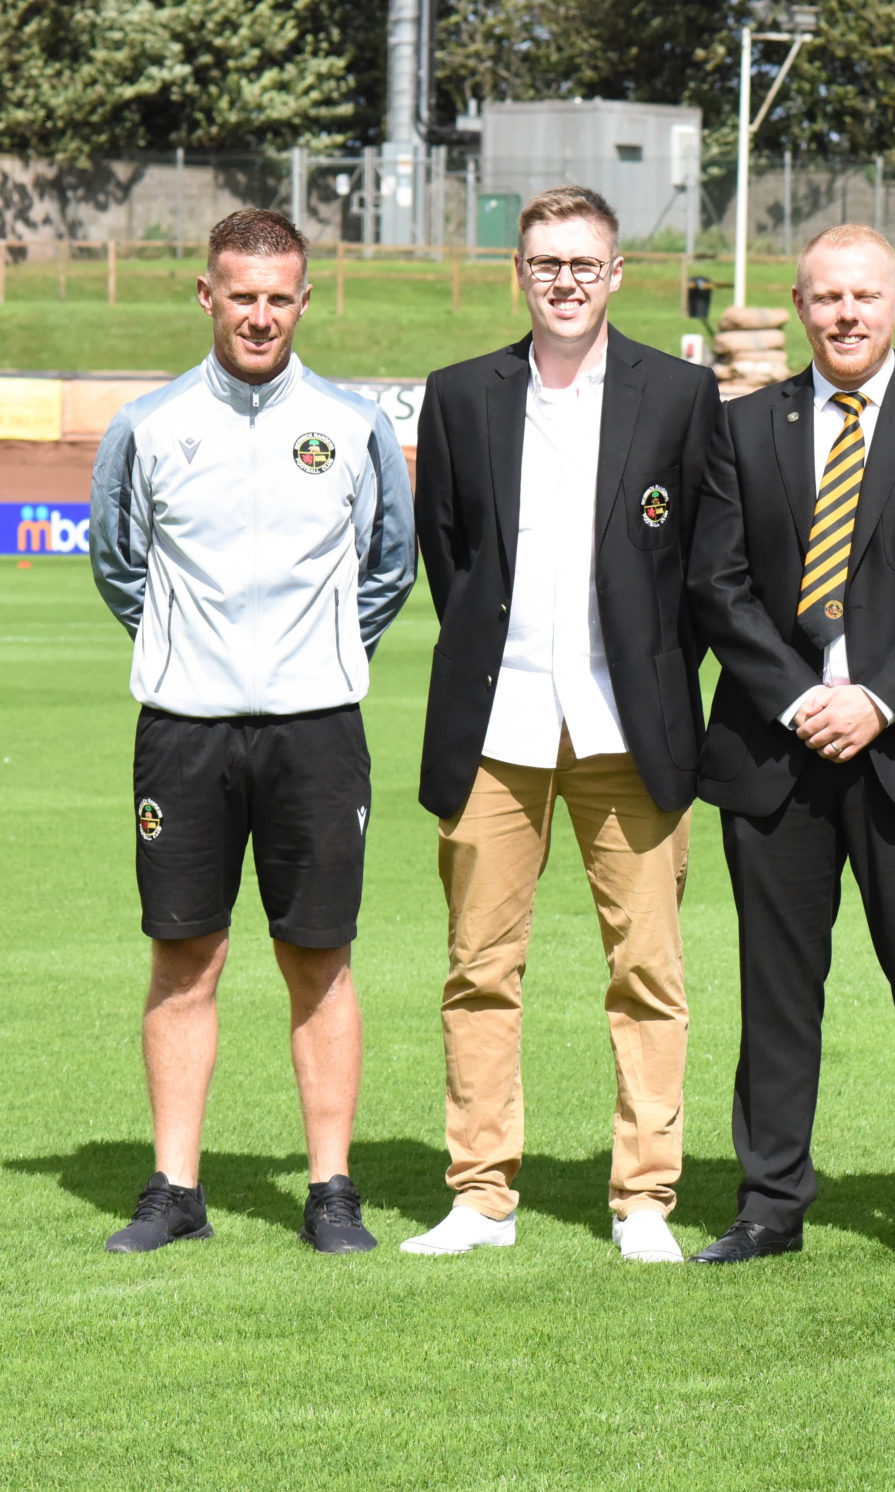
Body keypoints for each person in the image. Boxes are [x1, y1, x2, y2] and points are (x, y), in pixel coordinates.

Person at [404, 186, 769, 1262]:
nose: (564, 281)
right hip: (496, 728)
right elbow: (449, 554)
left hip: (631, 729)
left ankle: (644, 1197)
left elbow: (704, 568)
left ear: (615, 275)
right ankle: (480, 1193)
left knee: (648, 973)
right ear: (518, 274)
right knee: (479, 966)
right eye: (544, 263)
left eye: (583, 264)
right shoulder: (462, 394)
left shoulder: (679, 395)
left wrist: (659, 676)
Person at [87, 207, 415, 1254]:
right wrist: (197, 656)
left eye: (280, 296)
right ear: (207, 296)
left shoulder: (356, 425)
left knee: (318, 954)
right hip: (183, 731)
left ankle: (330, 1190)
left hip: (316, 730)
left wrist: (307, 659)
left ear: (305, 299)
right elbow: (117, 566)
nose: (261, 315)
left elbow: (388, 565)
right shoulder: (148, 425)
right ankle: (175, 1188)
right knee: (186, 953)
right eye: (243, 295)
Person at [685, 226, 895, 1273]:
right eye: (825, 297)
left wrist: (874, 698)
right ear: (797, 304)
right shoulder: (743, 429)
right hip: (774, 753)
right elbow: (717, 587)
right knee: (777, 985)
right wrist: (798, 701)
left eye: (865, 295)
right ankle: (771, 1200)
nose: (846, 315)